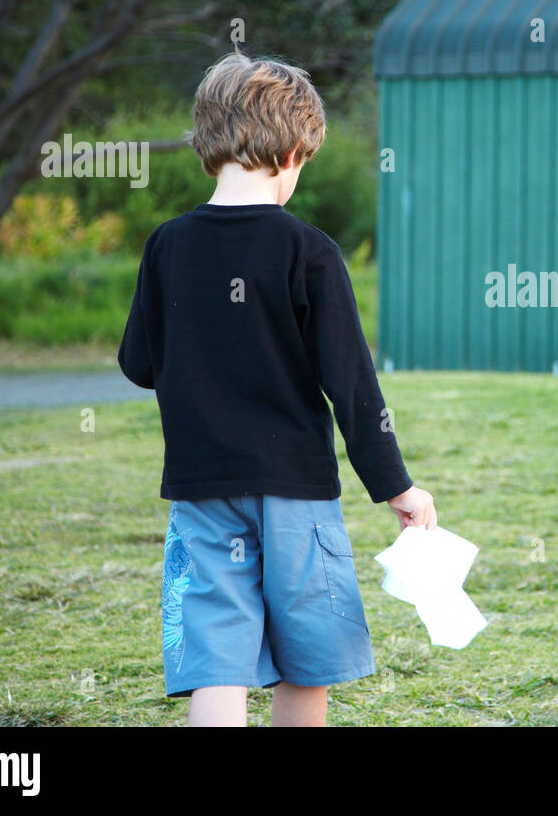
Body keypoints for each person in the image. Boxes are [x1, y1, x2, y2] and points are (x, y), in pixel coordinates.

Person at [118, 52, 435, 727]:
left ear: (208, 142)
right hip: (296, 492)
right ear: (292, 152)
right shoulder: (309, 252)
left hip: (201, 491)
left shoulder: (166, 247)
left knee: (218, 661)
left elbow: (139, 364)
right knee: (307, 660)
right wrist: (398, 488)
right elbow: (353, 388)